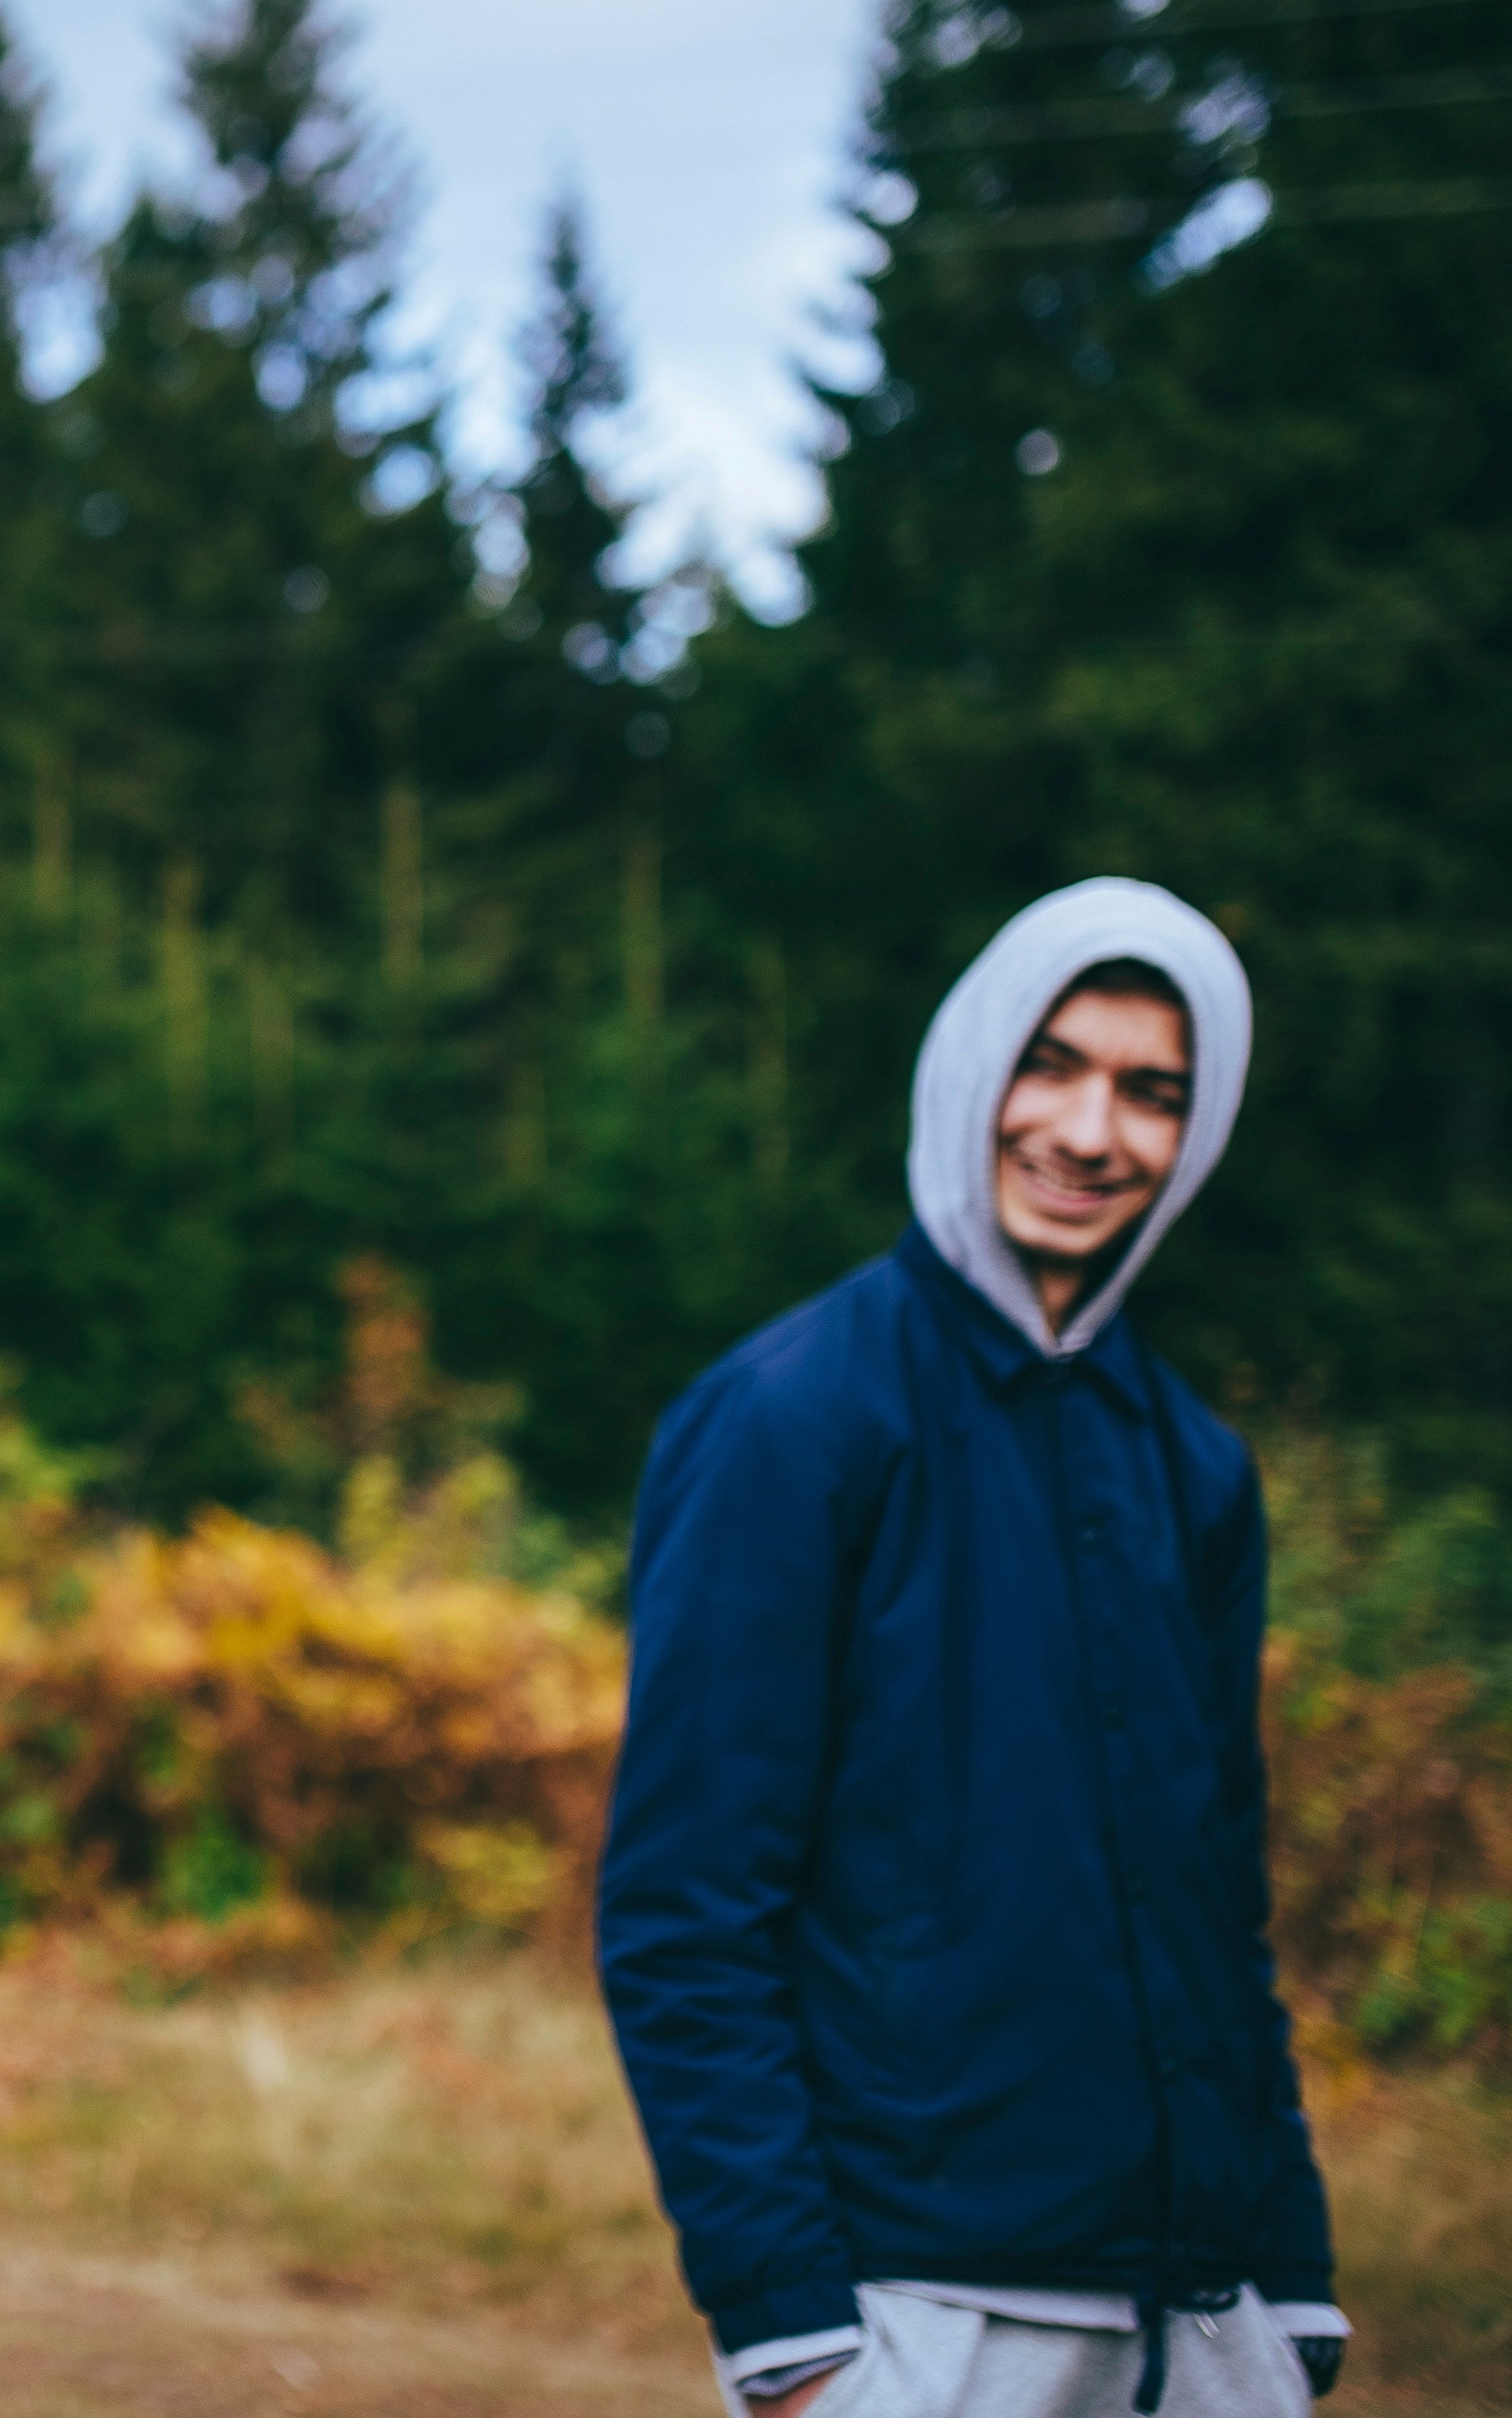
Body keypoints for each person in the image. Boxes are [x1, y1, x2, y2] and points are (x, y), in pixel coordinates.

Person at [597, 878, 1347, 2418]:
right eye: (1051, 1064)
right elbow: (686, 1910)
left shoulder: (1196, 1464)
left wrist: (1294, 2282)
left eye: (1152, 1092)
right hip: (926, 2321)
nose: (1089, 1131)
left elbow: (1219, 1908)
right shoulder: (794, 1416)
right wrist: (793, 2330)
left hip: (1205, 2326)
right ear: (975, 1065)